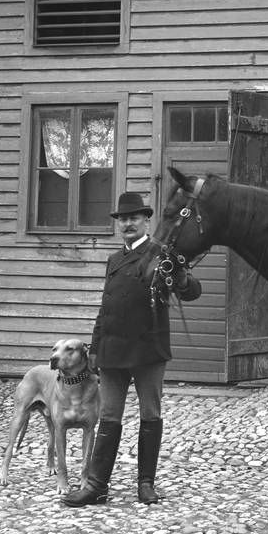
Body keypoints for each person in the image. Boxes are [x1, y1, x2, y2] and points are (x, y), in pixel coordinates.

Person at [61, 191, 201, 507]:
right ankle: (96, 485)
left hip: (148, 350)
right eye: (122, 219)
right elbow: (105, 308)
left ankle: (146, 484)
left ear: (146, 220)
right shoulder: (113, 260)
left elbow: (192, 291)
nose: (127, 223)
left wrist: (179, 276)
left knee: (151, 415)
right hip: (112, 353)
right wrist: (94, 348)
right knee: (109, 416)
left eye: (133, 218)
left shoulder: (161, 253)